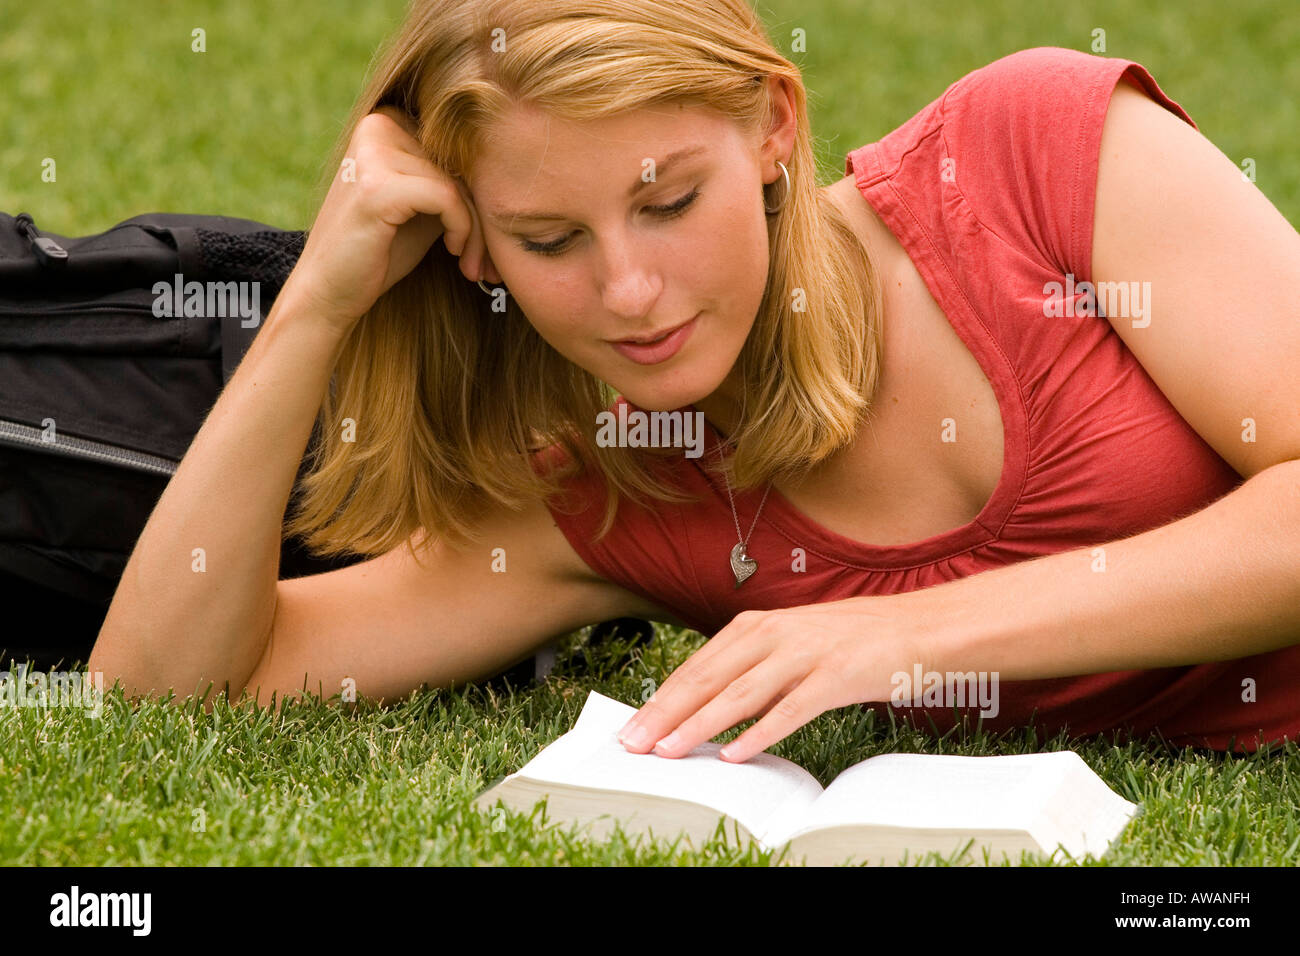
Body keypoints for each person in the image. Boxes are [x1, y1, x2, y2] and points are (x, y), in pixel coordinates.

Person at [89, 0, 1300, 757]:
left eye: (668, 202)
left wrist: (896, 634)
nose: (628, 290)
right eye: (548, 242)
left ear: (772, 124)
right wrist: (317, 303)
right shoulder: (609, 489)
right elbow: (160, 694)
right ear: (474, 247)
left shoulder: (1032, 157)